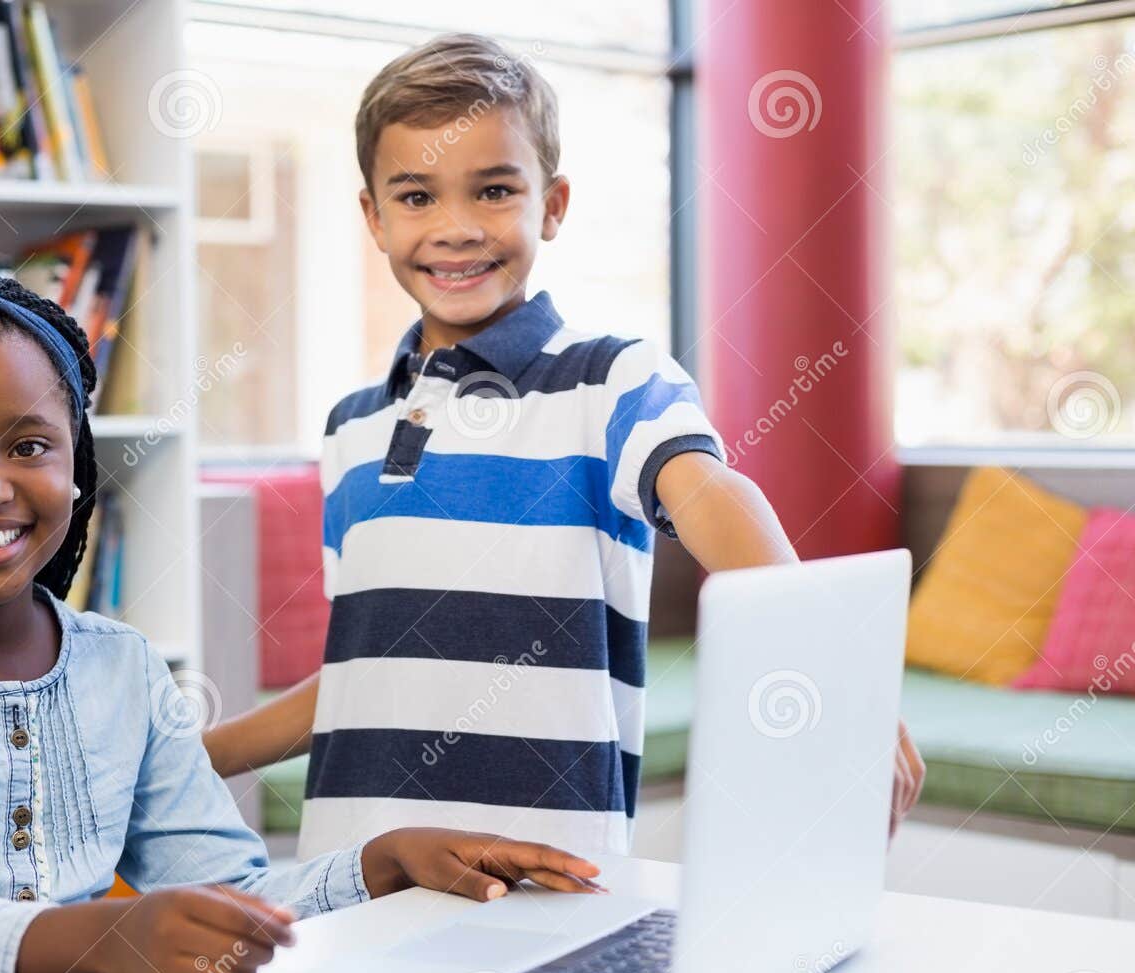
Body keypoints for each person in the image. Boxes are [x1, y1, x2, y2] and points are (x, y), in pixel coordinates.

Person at [0, 273, 602, 973]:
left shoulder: (123, 667)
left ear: (77, 467)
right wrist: (109, 936)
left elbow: (223, 889)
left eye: (27, 446)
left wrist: (380, 864)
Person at [203, 34, 925, 860]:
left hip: (549, 882)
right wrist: (199, 757)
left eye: (495, 190)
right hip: (352, 879)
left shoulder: (613, 380)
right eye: (416, 197)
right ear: (372, 215)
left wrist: (832, 664)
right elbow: (362, 669)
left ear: (553, 204)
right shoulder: (351, 429)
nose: (458, 227)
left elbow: (714, 495)